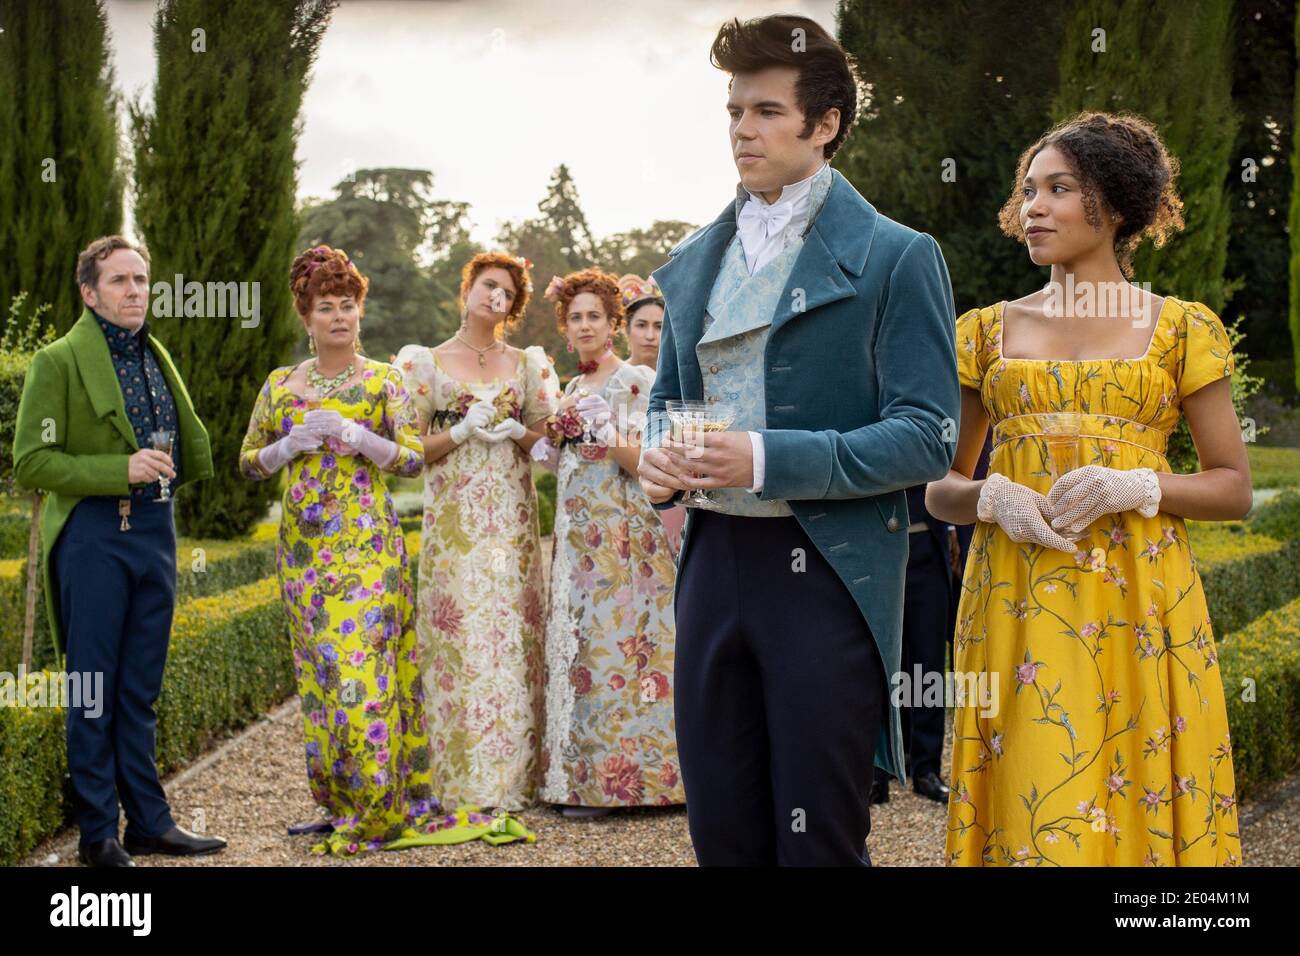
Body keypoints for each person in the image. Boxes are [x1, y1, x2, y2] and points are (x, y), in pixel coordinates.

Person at [637, 15, 960, 866]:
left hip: (827, 568)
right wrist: (659, 459)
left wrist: (772, 456)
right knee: (724, 833)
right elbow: (668, 402)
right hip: (710, 565)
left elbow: (929, 435)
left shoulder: (897, 256)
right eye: (736, 110)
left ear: (825, 126)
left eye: (768, 111)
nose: (743, 128)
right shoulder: (693, 258)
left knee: (817, 838)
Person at [926, 112, 1248, 866]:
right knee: (1038, 793)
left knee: (1138, 787)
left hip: (1142, 599)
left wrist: (1138, 483)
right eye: (1029, 189)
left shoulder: (1180, 330)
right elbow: (938, 486)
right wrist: (988, 497)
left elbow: (1233, 487)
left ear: (1119, 205)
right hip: (1015, 600)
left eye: (1059, 188)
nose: (1033, 206)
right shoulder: (983, 333)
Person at [239, 244, 534, 854]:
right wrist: (289, 445)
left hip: (369, 550)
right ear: (307, 315)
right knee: (322, 679)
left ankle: (376, 810)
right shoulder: (280, 384)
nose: (340, 317)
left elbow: (406, 459)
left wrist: (357, 437)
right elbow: (247, 464)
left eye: (348, 305)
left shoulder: (384, 380)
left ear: (360, 312)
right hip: (302, 557)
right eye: (327, 307)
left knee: (364, 677)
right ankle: (339, 798)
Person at [13, 235, 222, 867]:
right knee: (92, 691)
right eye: (120, 281)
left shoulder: (156, 353)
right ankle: (97, 833)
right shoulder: (57, 361)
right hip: (95, 537)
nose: (135, 291)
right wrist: (119, 467)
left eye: (141, 279)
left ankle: (150, 824)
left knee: (139, 690)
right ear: (89, 292)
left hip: (155, 532)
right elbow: (31, 461)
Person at [394, 252, 559, 811]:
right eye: (489, 285)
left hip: (512, 517)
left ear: (514, 306)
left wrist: (518, 432)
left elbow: (550, 446)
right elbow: (407, 451)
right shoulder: (426, 362)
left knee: (511, 636)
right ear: (468, 288)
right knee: (458, 638)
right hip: (454, 520)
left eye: (507, 293)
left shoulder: (526, 363)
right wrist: (461, 431)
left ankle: (516, 779)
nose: (496, 297)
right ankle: (461, 779)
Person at [537, 268, 683, 817]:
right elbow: (573, 461)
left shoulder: (636, 381)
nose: (584, 325)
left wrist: (606, 432)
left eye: (594, 315)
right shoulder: (574, 387)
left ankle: (642, 782)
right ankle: (579, 778)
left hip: (624, 537)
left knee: (624, 650)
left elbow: (652, 464)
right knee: (583, 651)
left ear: (611, 323)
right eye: (574, 317)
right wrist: (552, 447)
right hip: (577, 538)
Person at [870, 483, 955, 807]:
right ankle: (877, 771)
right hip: (876, 545)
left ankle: (926, 769)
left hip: (925, 545)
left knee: (927, 661)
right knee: (876, 662)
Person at [618, 272, 685, 557]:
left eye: (659, 326)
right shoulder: (615, 379)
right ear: (626, 329)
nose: (650, 335)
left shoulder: (682, 383)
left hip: (676, 489)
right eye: (641, 325)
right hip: (622, 497)